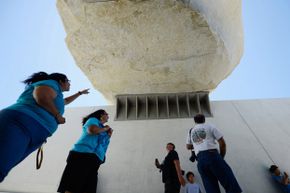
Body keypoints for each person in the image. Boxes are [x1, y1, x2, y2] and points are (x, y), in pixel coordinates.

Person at [0, 71, 89, 182]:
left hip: (34, 131)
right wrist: (57, 115)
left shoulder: (57, 94)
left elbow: (65, 101)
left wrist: (79, 93)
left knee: (3, 170)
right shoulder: (51, 83)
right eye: (68, 81)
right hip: (22, 123)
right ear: (61, 81)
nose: (70, 84)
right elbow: (41, 96)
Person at [57, 109, 113, 193]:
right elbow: (92, 130)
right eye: (106, 114)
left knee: (88, 189)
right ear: (101, 115)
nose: (108, 115)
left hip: (94, 161)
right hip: (82, 156)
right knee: (72, 187)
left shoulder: (103, 130)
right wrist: (105, 128)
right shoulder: (93, 120)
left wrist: (108, 136)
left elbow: (103, 147)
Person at [186, 114, 242, 193]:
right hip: (212, 155)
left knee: (211, 189)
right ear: (204, 119)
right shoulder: (210, 126)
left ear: (195, 121)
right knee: (230, 183)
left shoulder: (191, 131)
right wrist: (221, 157)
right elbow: (222, 144)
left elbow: (188, 146)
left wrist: (197, 144)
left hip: (200, 161)